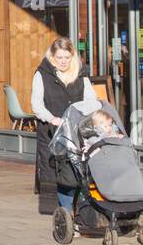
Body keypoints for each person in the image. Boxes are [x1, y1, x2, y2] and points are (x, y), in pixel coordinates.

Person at [31, 36, 95, 215]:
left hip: (77, 131)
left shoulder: (80, 74)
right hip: (53, 132)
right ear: (52, 56)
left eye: (67, 57)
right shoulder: (42, 74)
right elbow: (37, 105)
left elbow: (91, 99)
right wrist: (52, 119)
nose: (64, 62)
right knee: (57, 171)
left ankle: (83, 211)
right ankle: (63, 213)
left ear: (72, 56)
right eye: (59, 57)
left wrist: (90, 114)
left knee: (81, 169)